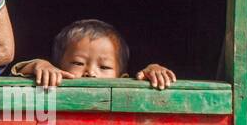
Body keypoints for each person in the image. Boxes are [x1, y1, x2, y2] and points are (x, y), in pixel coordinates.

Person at [10, 19, 177, 89]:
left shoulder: (124, 84)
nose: (90, 73)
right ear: (58, 67)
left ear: (122, 77)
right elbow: (22, 70)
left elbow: (140, 79)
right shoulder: (52, 74)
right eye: (78, 63)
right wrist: (41, 65)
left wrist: (152, 71)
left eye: (104, 66)